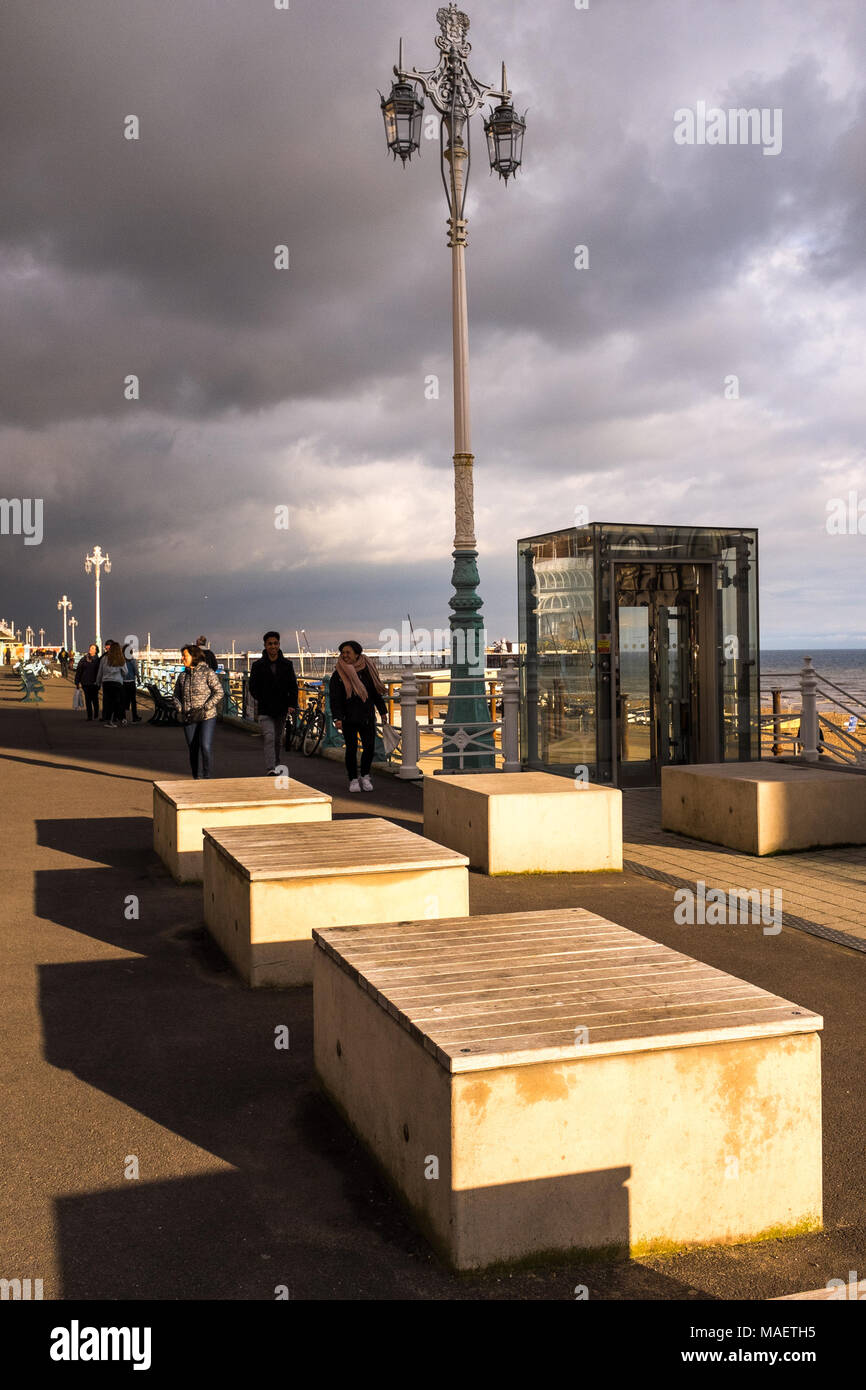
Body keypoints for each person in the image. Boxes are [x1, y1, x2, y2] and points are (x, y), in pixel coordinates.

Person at [329, 640, 387, 792]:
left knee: (369, 747)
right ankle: (353, 779)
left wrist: (383, 711)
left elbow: (375, 693)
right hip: (348, 718)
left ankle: (365, 776)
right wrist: (337, 718)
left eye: (348, 652)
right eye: (343, 653)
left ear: (357, 654)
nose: (345, 655)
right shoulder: (338, 673)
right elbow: (335, 698)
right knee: (351, 749)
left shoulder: (367, 671)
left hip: (366, 716)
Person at [248, 631, 298, 774]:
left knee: (277, 739)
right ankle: (271, 768)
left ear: (279, 644)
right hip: (265, 708)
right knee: (269, 737)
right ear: (265, 645)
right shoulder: (257, 665)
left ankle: (276, 764)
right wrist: (261, 698)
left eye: (275, 643)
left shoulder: (287, 665)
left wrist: (292, 704)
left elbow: (293, 686)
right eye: (270, 644)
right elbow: (252, 686)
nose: (273, 646)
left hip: (282, 708)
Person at [172, 643, 223, 778]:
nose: (182, 658)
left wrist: (206, 707)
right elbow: (176, 695)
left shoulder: (208, 673)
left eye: (185, 656)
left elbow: (219, 692)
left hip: (207, 716)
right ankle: (197, 777)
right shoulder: (182, 676)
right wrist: (180, 709)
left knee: (205, 746)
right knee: (193, 748)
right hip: (189, 716)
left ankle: (207, 777)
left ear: (194, 656)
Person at [96, 641, 127, 727]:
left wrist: (98, 682)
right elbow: (125, 672)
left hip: (106, 683)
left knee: (108, 702)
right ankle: (120, 718)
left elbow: (100, 672)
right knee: (117, 701)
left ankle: (109, 720)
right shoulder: (120, 659)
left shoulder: (104, 659)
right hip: (117, 683)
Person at [75, 643, 101, 721]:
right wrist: (77, 681)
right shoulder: (83, 659)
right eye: (90, 648)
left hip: (94, 683)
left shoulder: (98, 660)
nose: (91, 649)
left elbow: (100, 671)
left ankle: (96, 714)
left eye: (93, 648)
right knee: (88, 700)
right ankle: (89, 716)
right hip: (85, 682)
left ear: (96, 651)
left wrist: (99, 682)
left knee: (95, 699)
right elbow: (79, 670)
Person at [121, 644, 142, 723]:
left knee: (123, 700)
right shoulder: (133, 660)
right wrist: (139, 679)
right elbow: (136, 671)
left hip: (123, 683)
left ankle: (123, 717)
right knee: (133, 701)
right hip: (131, 682)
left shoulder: (121, 660)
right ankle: (134, 717)